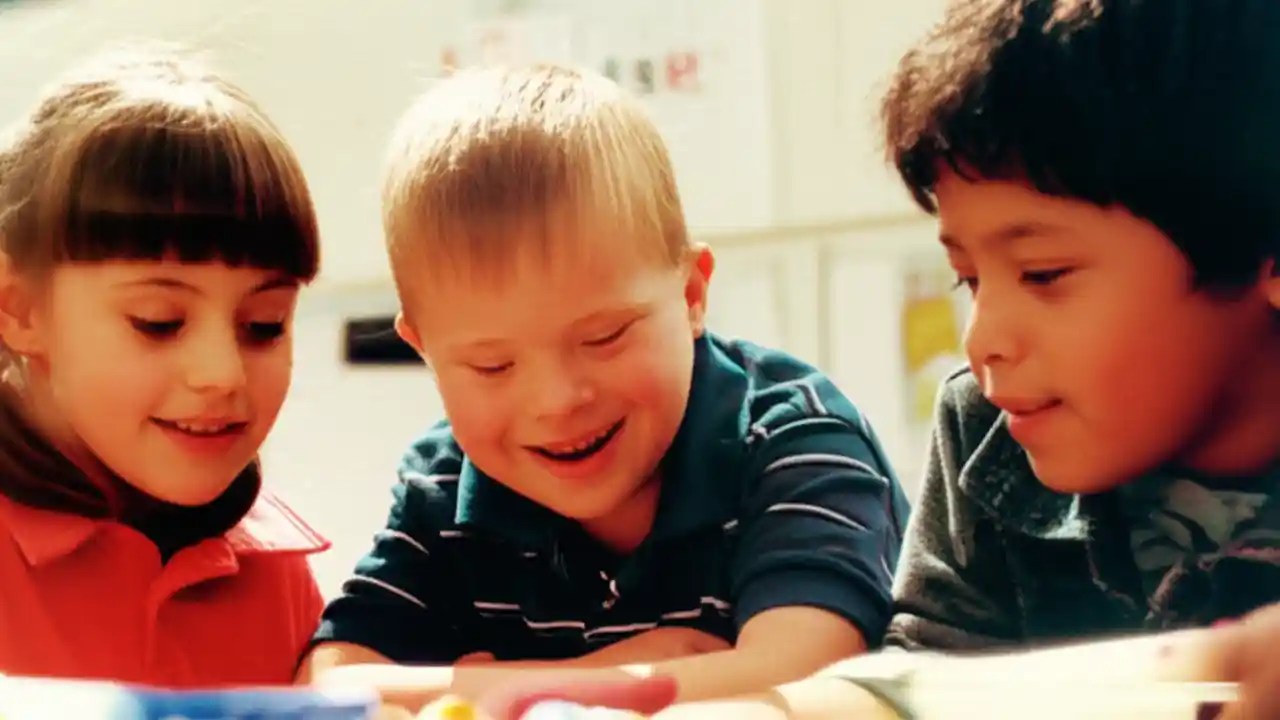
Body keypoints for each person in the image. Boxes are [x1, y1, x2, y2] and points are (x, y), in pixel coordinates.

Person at [605, 0, 1280, 716]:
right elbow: (926, 691)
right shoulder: (990, 432)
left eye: (1044, 274)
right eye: (968, 279)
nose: (983, 338)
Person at [299, 63, 909, 705]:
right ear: (424, 350)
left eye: (605, 337)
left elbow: (804, 674)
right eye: (492, 366)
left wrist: (473, 689)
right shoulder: (443, 490)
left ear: (692, 292)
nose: (558, 400)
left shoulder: (794, 439)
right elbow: (331, 689)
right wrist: (617, 671)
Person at [0, 43, 328, 686]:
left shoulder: (278, 571)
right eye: (158, 321)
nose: (222, 374)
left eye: (264, 326)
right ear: (20, 312)